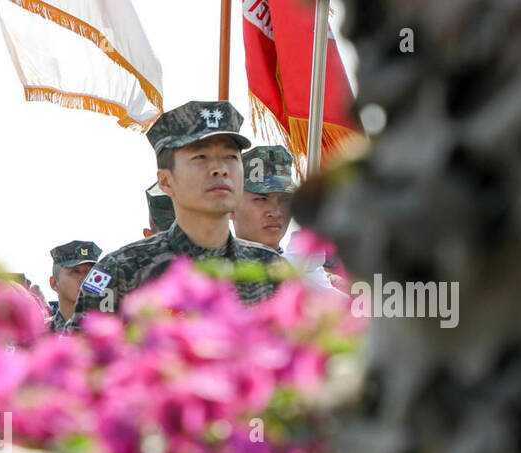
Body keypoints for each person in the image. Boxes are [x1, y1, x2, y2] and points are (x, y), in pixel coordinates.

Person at [73, 100, 284, 323]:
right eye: (200, 157)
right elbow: (83, 353)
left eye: (230, 157)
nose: (220, 170)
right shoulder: (122, 269)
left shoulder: (269, 268)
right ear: (165, 181)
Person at [235, 145, 339, 293]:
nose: (276, 212)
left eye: (284, 200)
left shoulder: (307, 275)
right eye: (262, 199)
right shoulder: (213, 271)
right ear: (231, 205)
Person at [46, 240, 102, 333]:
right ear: (55, 283)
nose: (86, 279)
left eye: (91, 272)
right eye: (75, 272)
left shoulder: (108, 333)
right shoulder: (38, 335)